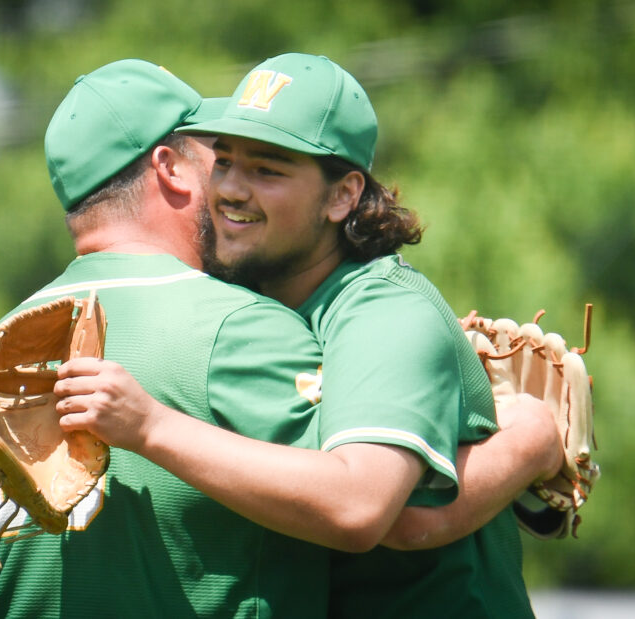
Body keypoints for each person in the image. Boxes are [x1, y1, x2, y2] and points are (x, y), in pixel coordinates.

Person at [54, 53, 555, 617]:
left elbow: (362, 508)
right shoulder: (258, 302)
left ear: (343, 195)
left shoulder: (384, 309)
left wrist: (150, 426)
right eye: (224, 163)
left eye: (268, 170)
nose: (232, 191)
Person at [0, 59, 335, 618]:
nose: (233, 183)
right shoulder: (248, 326)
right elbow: (366, 512)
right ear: (171, 168)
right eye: (219, 160)